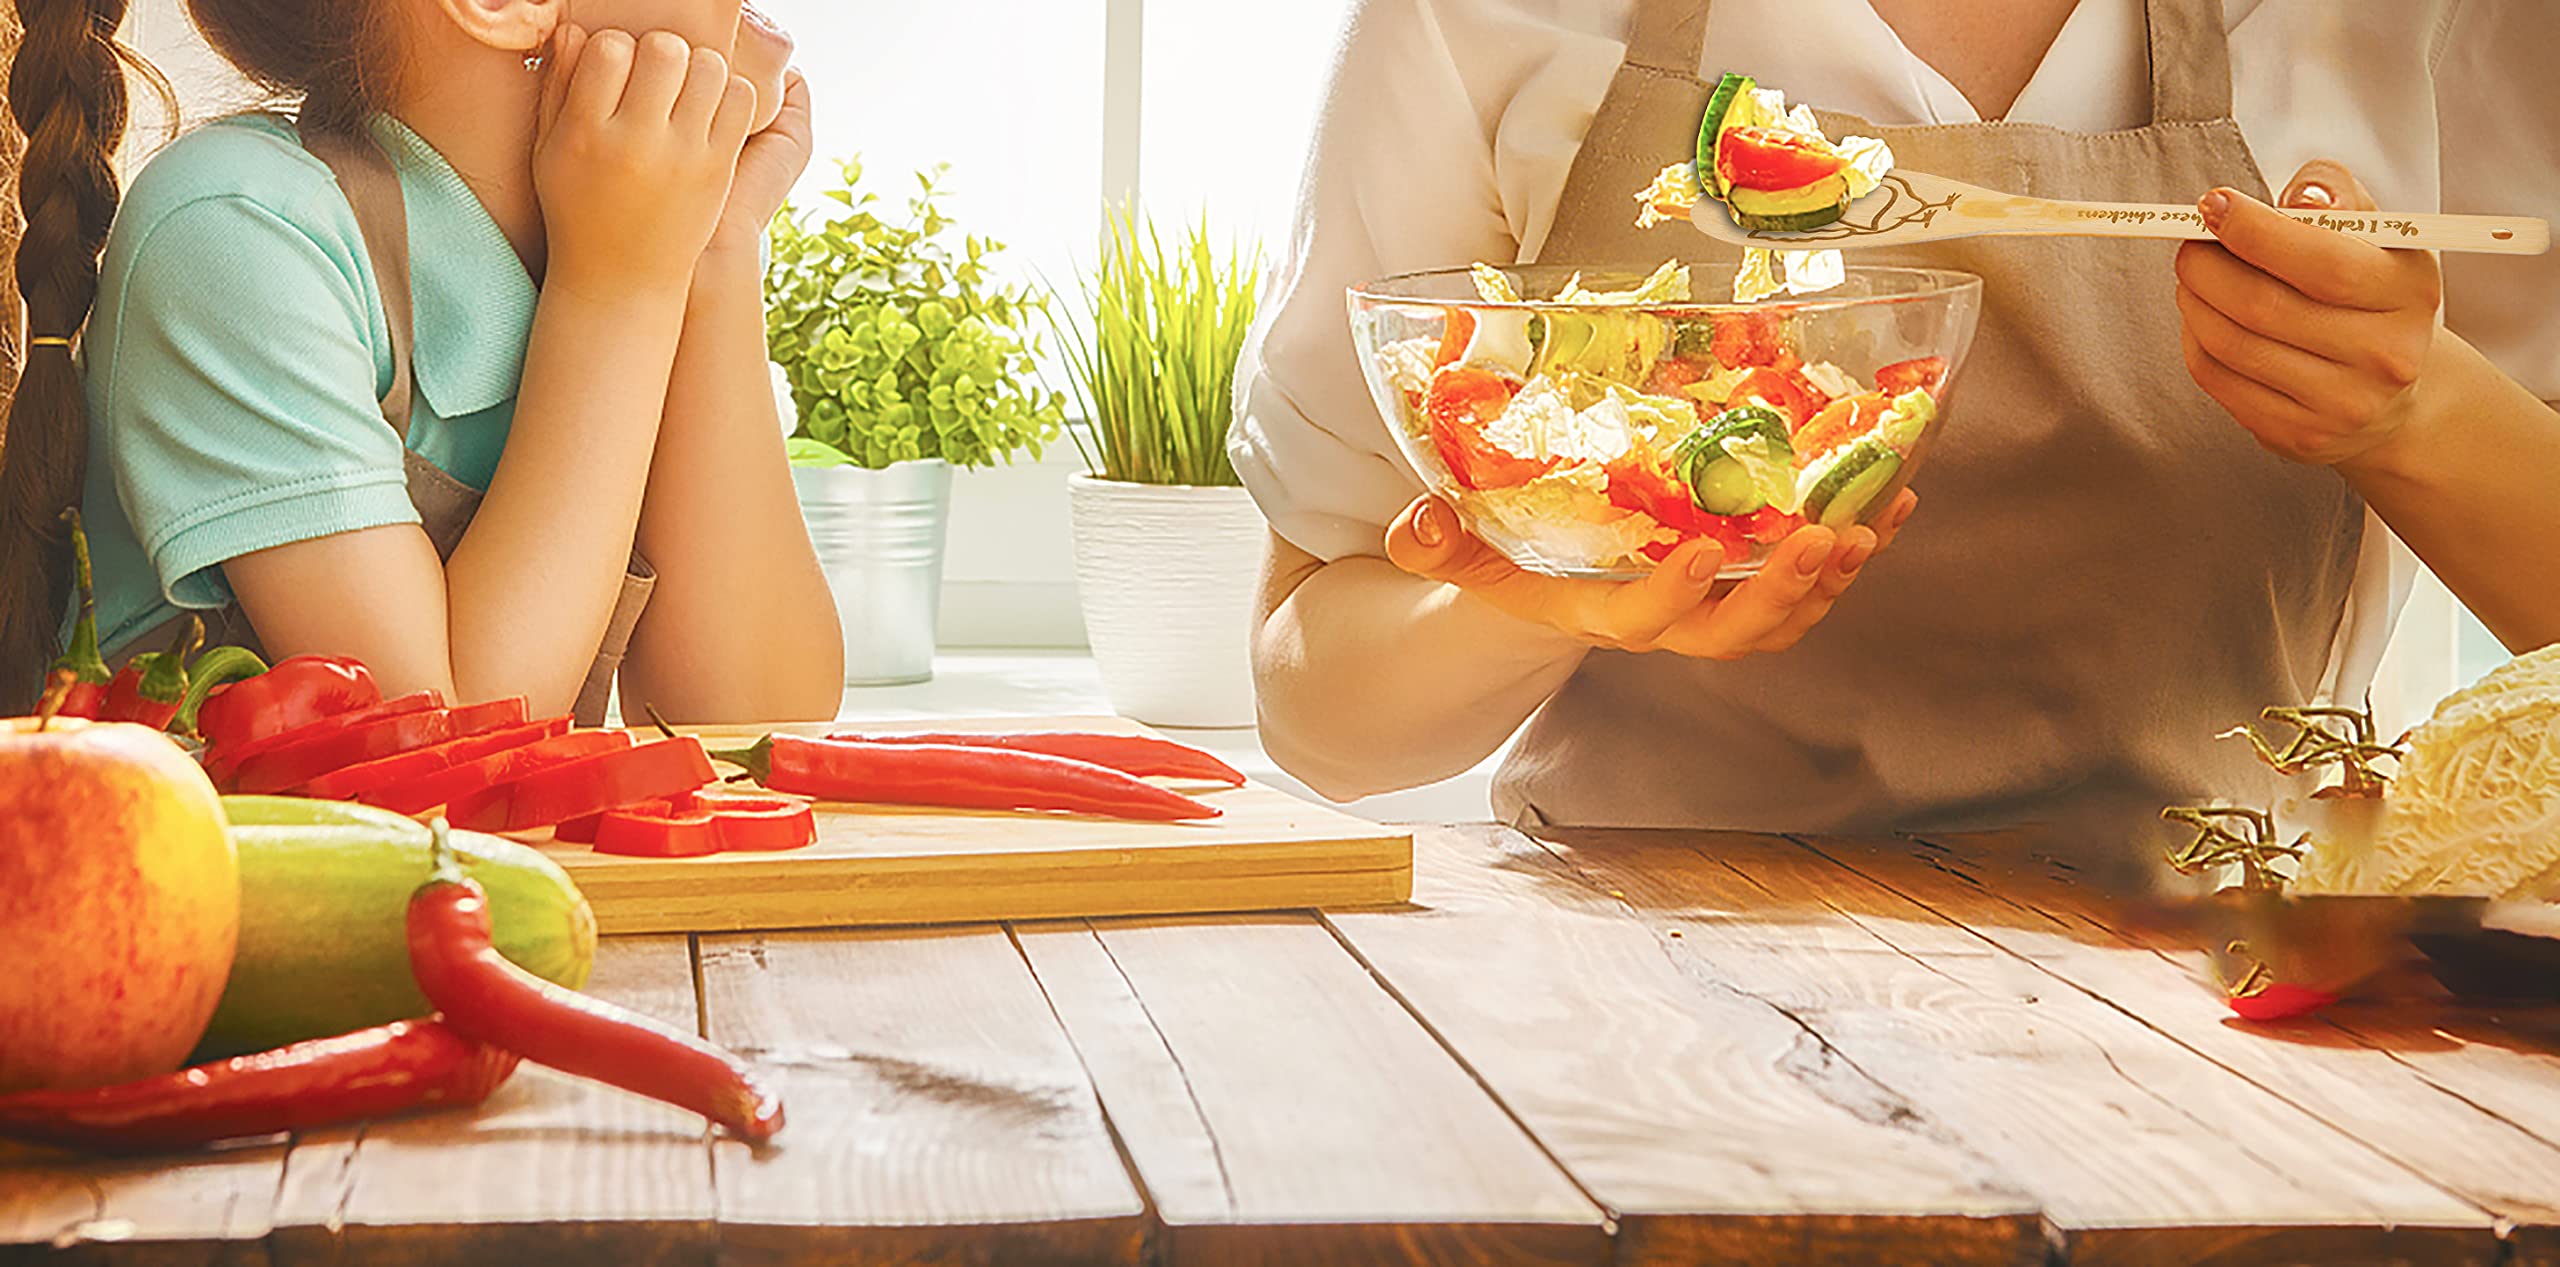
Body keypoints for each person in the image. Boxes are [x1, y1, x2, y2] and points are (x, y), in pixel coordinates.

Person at [1235, 0, 2560, 880]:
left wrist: (2417, 411)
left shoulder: (2425, 22)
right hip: (1649, 1020)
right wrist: (1565, 599)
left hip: (2229, 1017)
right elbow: (1317, 705)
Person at [0, 0, 844, 724]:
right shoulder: (237, 229)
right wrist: (617, 292)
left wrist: (712, 248)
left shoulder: (611, 234)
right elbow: (441, 737)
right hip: (216, 903)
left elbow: (753, 726)